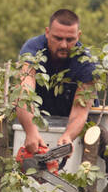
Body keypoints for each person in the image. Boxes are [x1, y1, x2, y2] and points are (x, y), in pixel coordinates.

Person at [15, 10, 98, 154]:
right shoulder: (33, 50)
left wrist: (68, 136)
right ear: (47, 33)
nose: (64, 45)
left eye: (70, 39)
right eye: (58, 38)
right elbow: (24, 92)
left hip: (79, 127)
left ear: (78, 36)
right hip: (40, 121)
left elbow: (81, 109)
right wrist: (30, 131)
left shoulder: (87, 63)